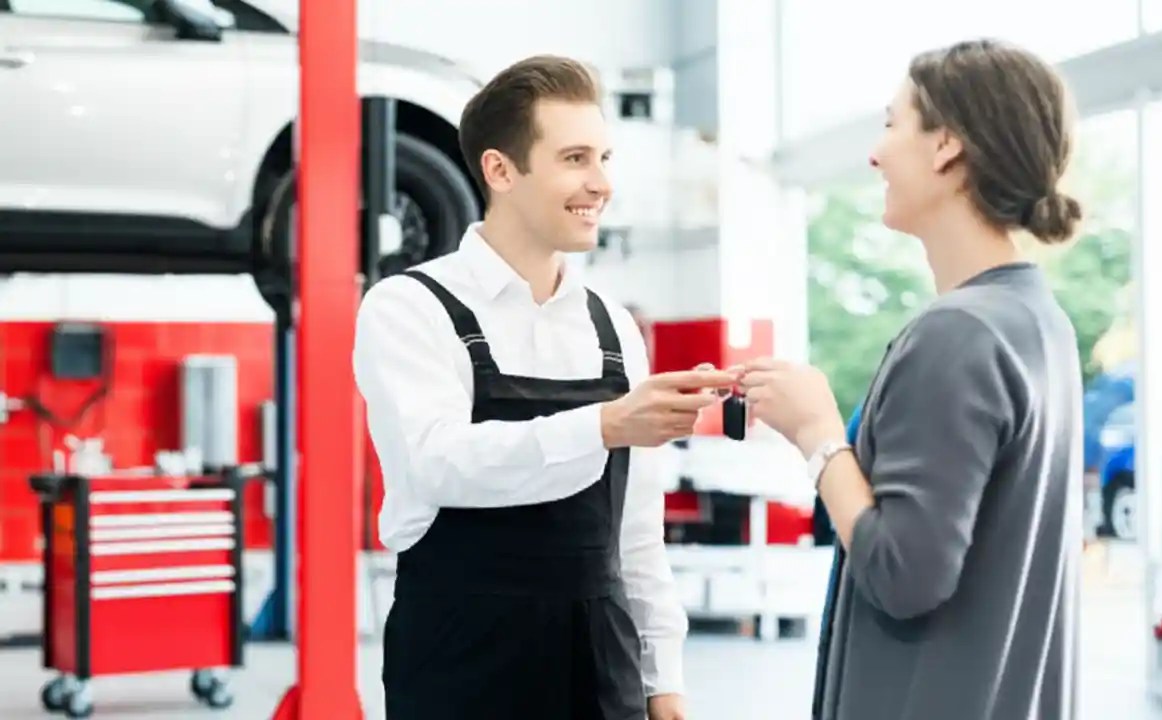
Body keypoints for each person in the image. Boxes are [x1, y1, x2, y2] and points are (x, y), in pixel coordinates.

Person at [353, 55, 733, 720]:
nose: (601, 183)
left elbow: (635, 532)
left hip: (602, 666)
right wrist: (605, 425)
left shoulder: (612, 327)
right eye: (576, 158)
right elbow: (437, 464)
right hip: (461, 660)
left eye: (605, 157)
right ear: (501, 170)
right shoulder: (409, 307)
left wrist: (663, 679)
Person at [738, 39, 1086, 719]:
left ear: (947, 146)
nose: (875, 152)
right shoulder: (1040, 323)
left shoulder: (957, 335)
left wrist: (817, 433)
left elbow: (901, 574)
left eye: (893, 124)